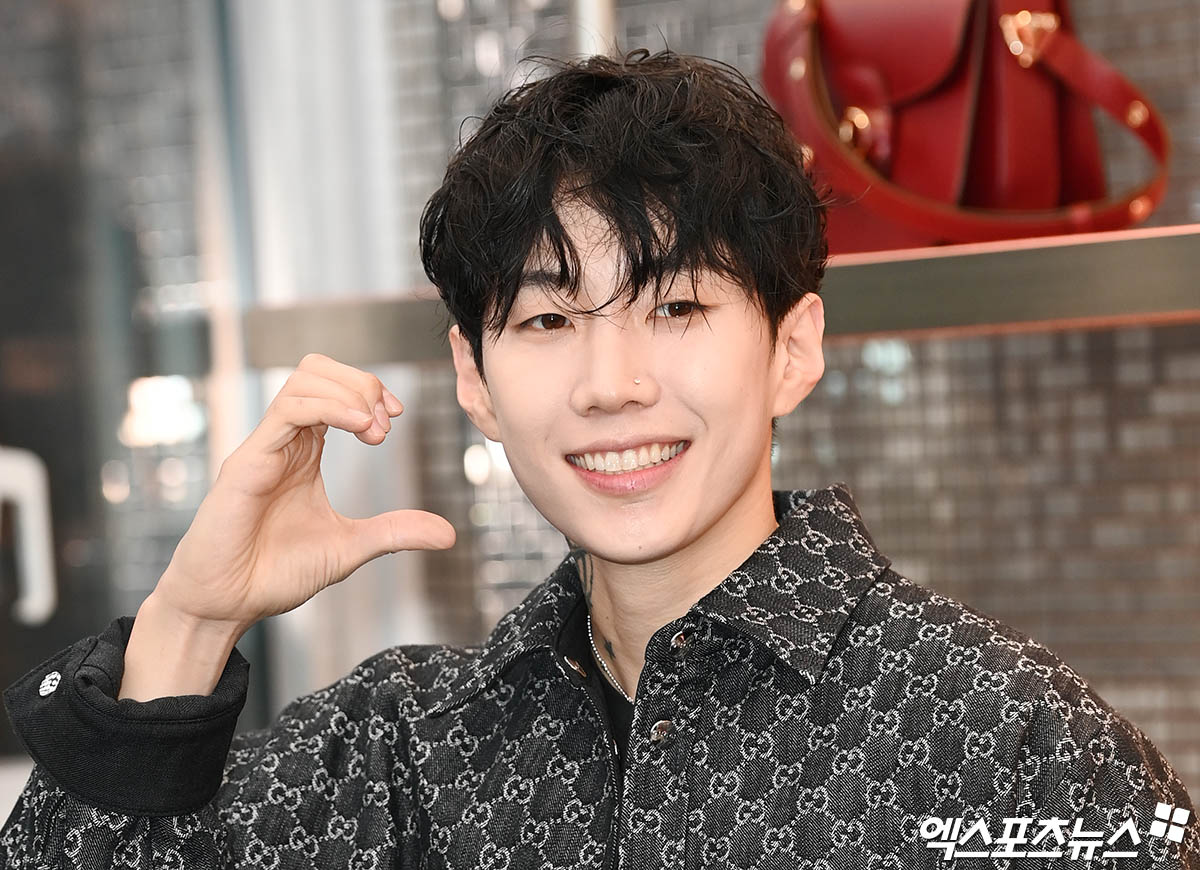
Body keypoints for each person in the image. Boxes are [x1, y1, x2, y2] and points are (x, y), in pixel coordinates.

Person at [2, 48, 1196, 870]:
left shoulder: (1008, 740)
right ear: (475, 378)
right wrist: (192, 617)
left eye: (676, 307)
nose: (610, 383)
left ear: (792, 349)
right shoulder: (407, 751)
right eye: (547, 319)